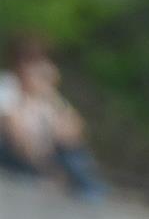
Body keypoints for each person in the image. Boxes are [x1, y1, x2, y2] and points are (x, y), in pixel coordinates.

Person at [0, 33, 106, 201]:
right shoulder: (8, 86)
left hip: (47, 151)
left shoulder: (50, 96)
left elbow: (75, 132)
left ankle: (84, 185)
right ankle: (45, 175)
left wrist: (49, 98)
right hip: (16, 150)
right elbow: (14, 128)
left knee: (73, 151)